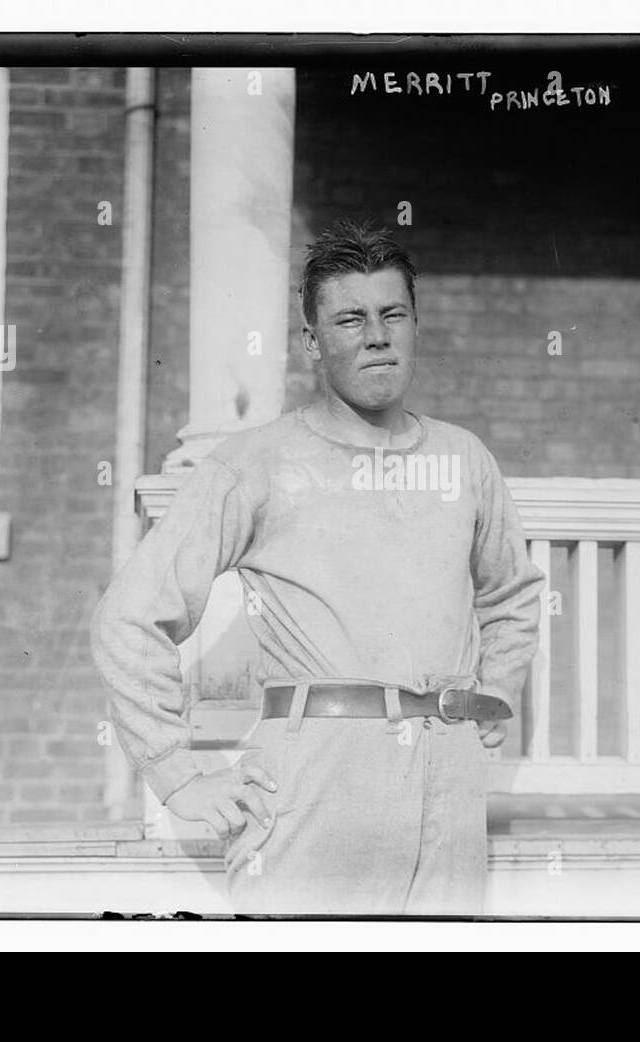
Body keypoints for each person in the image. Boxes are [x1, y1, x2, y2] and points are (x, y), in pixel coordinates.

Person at [91, 218, 544, 915]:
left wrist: (499, 686)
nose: (377, 335)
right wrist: (178, 773)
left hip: (448, 786)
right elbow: (130, 617)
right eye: (350, 319)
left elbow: (512, 592)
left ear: (415, 325)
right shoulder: (257, 464)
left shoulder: (464, 460)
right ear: (313, 342)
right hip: (319, 785)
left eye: (394, 314)